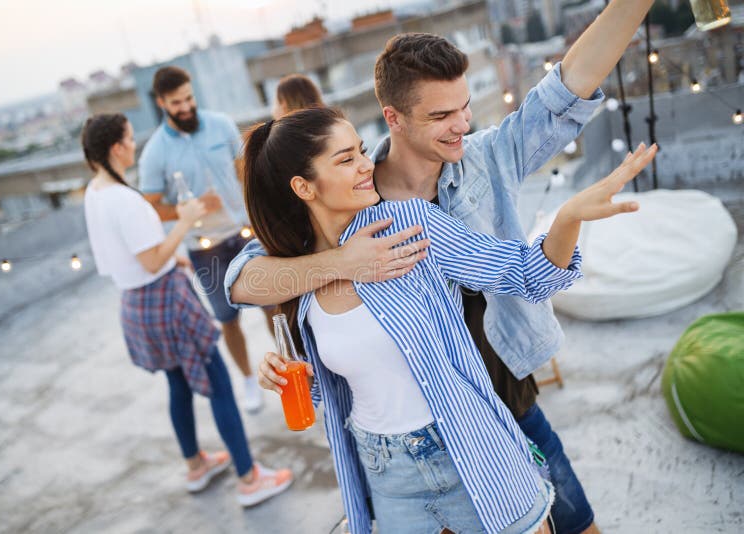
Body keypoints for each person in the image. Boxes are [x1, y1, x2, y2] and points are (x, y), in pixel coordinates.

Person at [227, 3, 656, 532]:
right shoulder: (351, 208)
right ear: (395, 118)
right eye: (440, 116)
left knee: (577, 523)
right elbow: (243, 279)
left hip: (500, 394)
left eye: (465, 107)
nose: (463, 125)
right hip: (397, 456)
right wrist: (342, 263)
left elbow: (565, 93)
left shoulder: (477, 164)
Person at [81, 113, 293, 505]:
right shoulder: (125, 200)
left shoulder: (94, 192)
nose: (133, 146)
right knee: (217, 384)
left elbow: (129, 257)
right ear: (116, 148)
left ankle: (196, 466)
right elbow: (150, 259)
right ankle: (249, 479)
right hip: (164, 298)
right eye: (129, 139)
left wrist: (172, 257)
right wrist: (186, 220)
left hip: (133, 302)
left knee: (178, 384)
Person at [138, 66, 267, 413]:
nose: (186, 107)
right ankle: (249, 380)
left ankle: (292, 367)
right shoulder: (154, 153)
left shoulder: (221, 124)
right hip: (205, 248)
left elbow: (245, 172)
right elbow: (151, 207)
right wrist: (186, 210)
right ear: (162, 103)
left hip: (247, 234)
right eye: (177, 102)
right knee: (228, 319)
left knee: (275, 303)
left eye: (189, 98)